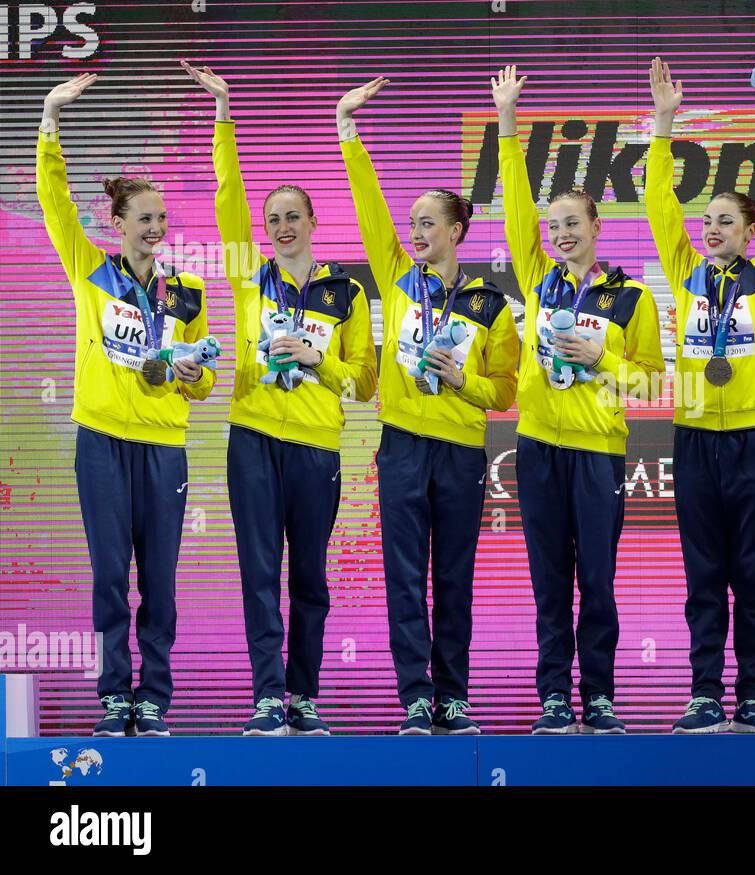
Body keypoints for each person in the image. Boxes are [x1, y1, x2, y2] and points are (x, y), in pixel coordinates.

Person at [184, 62, 378, 736]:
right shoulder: (249, 278)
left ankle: (305, 699)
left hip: (318, 448)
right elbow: (226, 195)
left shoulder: (347, 294)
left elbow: (364, 385)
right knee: (260, 573)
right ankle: (268, 696)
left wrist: (319, 362)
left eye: (293, 214)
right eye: (273, 218)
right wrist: (224, 113)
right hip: (253, 441)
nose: (282, 224)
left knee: (311, 584)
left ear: (314, 219)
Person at [337, 77, 520, 735]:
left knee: (455, 581)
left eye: (427, 222)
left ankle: (455, 696)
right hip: (403, 446)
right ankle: (416, 696)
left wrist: (463, 379)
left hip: (463, 450)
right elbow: (366, 205)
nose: (414, 231)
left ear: (457, 230)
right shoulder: (395, 277)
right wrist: (347, 127)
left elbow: (506, 392)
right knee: (405, 578)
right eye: (411, 222)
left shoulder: (491, 305)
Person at [38, 74, 216, 737]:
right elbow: (52, 202)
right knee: (111, 574)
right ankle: (116, 696)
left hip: (164, 443)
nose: (157, 228)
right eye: (145, 218)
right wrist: (51, 116)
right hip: (102, 441)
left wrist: (193, 372)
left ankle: (154, 699)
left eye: (163, 219)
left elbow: (199, 385)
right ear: (118, 225)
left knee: (161, 584)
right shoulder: (91, 270)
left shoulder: (187, 290)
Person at [493, 66, 665, 735]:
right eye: (553, 224)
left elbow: (651, 380)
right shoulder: (538, 279)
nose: (561, 233)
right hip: (537, 448)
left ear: (597, 224)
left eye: (572, 222)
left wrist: (606, 359)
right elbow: (512, 208)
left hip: (597, 453)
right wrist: (507, 122)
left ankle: (599, 695)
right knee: (547, 587)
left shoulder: (631, 295)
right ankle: (553, 699)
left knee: (596, 582)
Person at [646, 57, 755, 734]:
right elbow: (658, 203)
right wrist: (663, 124)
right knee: (704, 570)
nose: (709, 228)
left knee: (754, 571)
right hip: (695, 436)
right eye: (705, 219)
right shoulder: (685, 273)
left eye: (724, 220)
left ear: (749, 230)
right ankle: (705, 690)